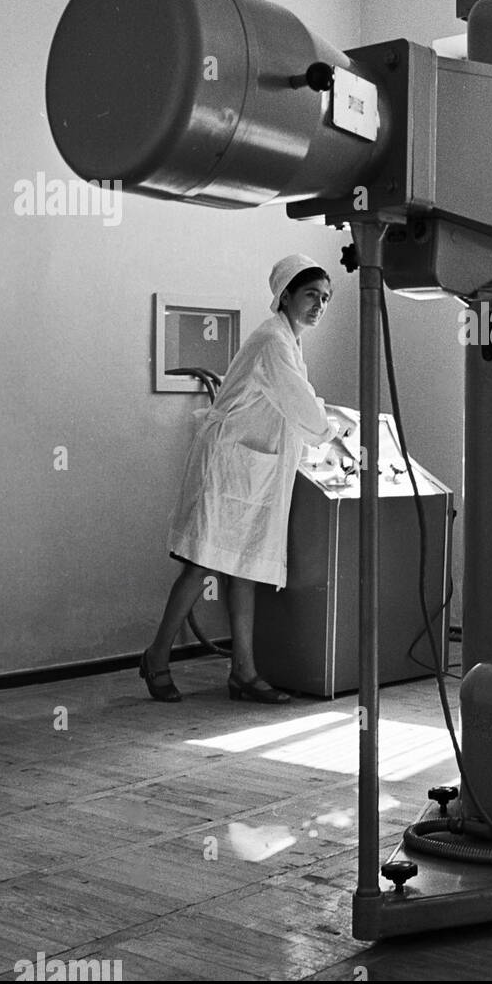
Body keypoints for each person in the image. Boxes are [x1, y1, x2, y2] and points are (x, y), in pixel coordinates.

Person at [140, 254, 348, 704]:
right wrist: (335, 439)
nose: (319, 305)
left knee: (248, 566)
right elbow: (300, 402)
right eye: (311, 294)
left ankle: (244, 673)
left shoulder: (289, 341)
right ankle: (156, 657)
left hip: (255, 467)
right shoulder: (273, 339)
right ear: (285, 295)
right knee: (202, 562)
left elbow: (298, 399)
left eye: (326, 298)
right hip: (229, 465)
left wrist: (330, 431)